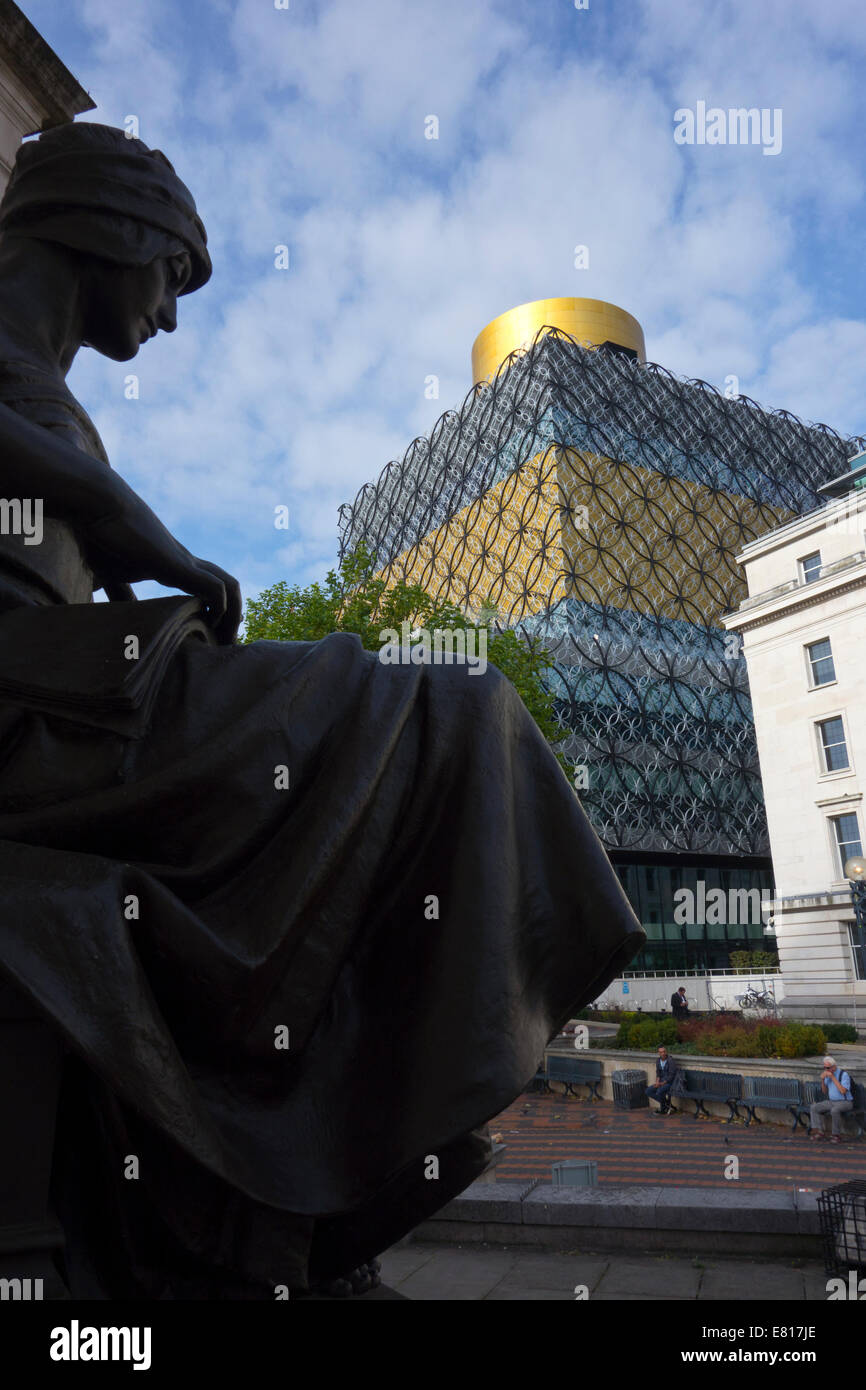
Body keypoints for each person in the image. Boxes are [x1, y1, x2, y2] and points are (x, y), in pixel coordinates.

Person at [0, 123, 645, 1299]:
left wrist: (152, 569)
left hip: (82, 701)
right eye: (172, 274)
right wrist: (174, 556)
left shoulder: (41, 375)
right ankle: (345, 1150)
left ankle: (312, 1189)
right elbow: (65, 492)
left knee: (436, 714)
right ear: (111, 230)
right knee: (441, 711)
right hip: (35, 723)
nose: (171, 317)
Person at [809, 1056, 854, 1143]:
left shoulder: (843, 1075)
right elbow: (824, 1091)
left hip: (845, 1102)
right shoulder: (827, 1075)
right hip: (832, 1101)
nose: (826, 1069)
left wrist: (833, 1077)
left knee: (834, 1110)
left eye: (828, 1068)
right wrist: (822, 1080)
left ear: (834, 1066)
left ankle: (836, 1135)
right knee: (814, 1107)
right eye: (824, 1067)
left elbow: (843, 1091)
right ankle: (820, 1131)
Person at [646, 1045, 680, 1114]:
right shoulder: (658, 1061)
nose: (663, 1053)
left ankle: (663, 1108)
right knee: (648, 1091)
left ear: (666, 1052)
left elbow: (671, 1076)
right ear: (659, 1053)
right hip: (660, 1082)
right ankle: (667, 1103)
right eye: (661, 1052)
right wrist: (657, 1082)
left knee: (659, 1091)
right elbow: (658, 1073)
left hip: (669, 1083)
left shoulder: (670, 1061)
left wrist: (661, 1084)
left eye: (664, 1052)